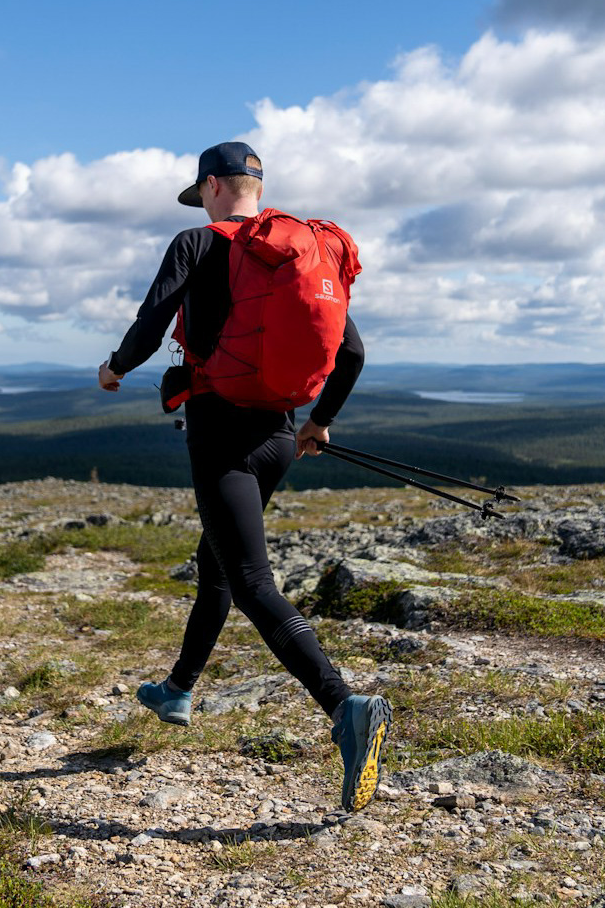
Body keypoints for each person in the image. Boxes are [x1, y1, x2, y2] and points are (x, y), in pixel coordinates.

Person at [96, 140, 390, 813]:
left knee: (252, 581)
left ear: (211, 186)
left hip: (221, 434)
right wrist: (320, 422)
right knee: (219, 562)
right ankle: (177, 689)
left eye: (201, 191)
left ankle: (347, 709)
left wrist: (115, 368)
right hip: (281, 435)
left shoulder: (197, 244)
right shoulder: (293, 252)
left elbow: (150, 324)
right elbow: (353, 351)